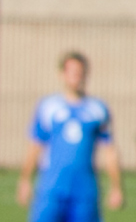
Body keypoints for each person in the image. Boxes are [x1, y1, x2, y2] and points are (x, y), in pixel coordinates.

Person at [18, 53, 122, 222]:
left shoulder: (98, 109)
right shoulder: (48, 106)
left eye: (80, 72)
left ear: (86, 74)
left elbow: (109, 150)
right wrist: (25, 180)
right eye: (72, 71)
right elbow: (35, 146)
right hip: (51, 188)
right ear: (62, 74)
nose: (76, 76)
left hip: (85, 190)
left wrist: (116, 187)